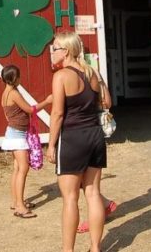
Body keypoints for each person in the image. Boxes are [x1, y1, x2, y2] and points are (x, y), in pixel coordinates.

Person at [45, 32, 112, 252]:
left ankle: (68, 250)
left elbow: (57, 114)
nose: (51, 52)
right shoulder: (92, 73)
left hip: (72, 138)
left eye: (54, 48)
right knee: (92, 193)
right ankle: (95, 247)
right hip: (94, 135)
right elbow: (106, 102)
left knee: (70, 197)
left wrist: (51, 144)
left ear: (66, 51)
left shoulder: (61, 76)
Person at [0, 64, 52, 218]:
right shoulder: (14, 93)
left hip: (13, 133)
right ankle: (20, 207)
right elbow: (30, 110)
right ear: (14, 78)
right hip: (17, 136)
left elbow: (8, 115)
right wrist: (47, 101)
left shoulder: (5, 93)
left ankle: (16, 201)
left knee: (17, 169)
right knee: (23, 168)